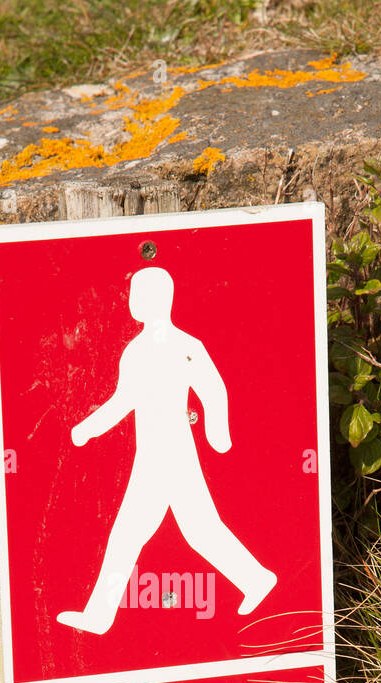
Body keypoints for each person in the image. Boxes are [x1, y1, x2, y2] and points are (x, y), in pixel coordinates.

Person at [57, 265, 277, 636]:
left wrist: (217, 433)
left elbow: (213, 389)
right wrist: (87, 429)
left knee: (169, 532)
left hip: (172, 453)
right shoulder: (137, 350)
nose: (132, 302)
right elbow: (124, 400)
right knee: (180, 531)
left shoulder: (185, 346)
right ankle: (256, 579)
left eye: (138, 296)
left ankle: (256, 579)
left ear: (159, 300)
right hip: (154, 455)